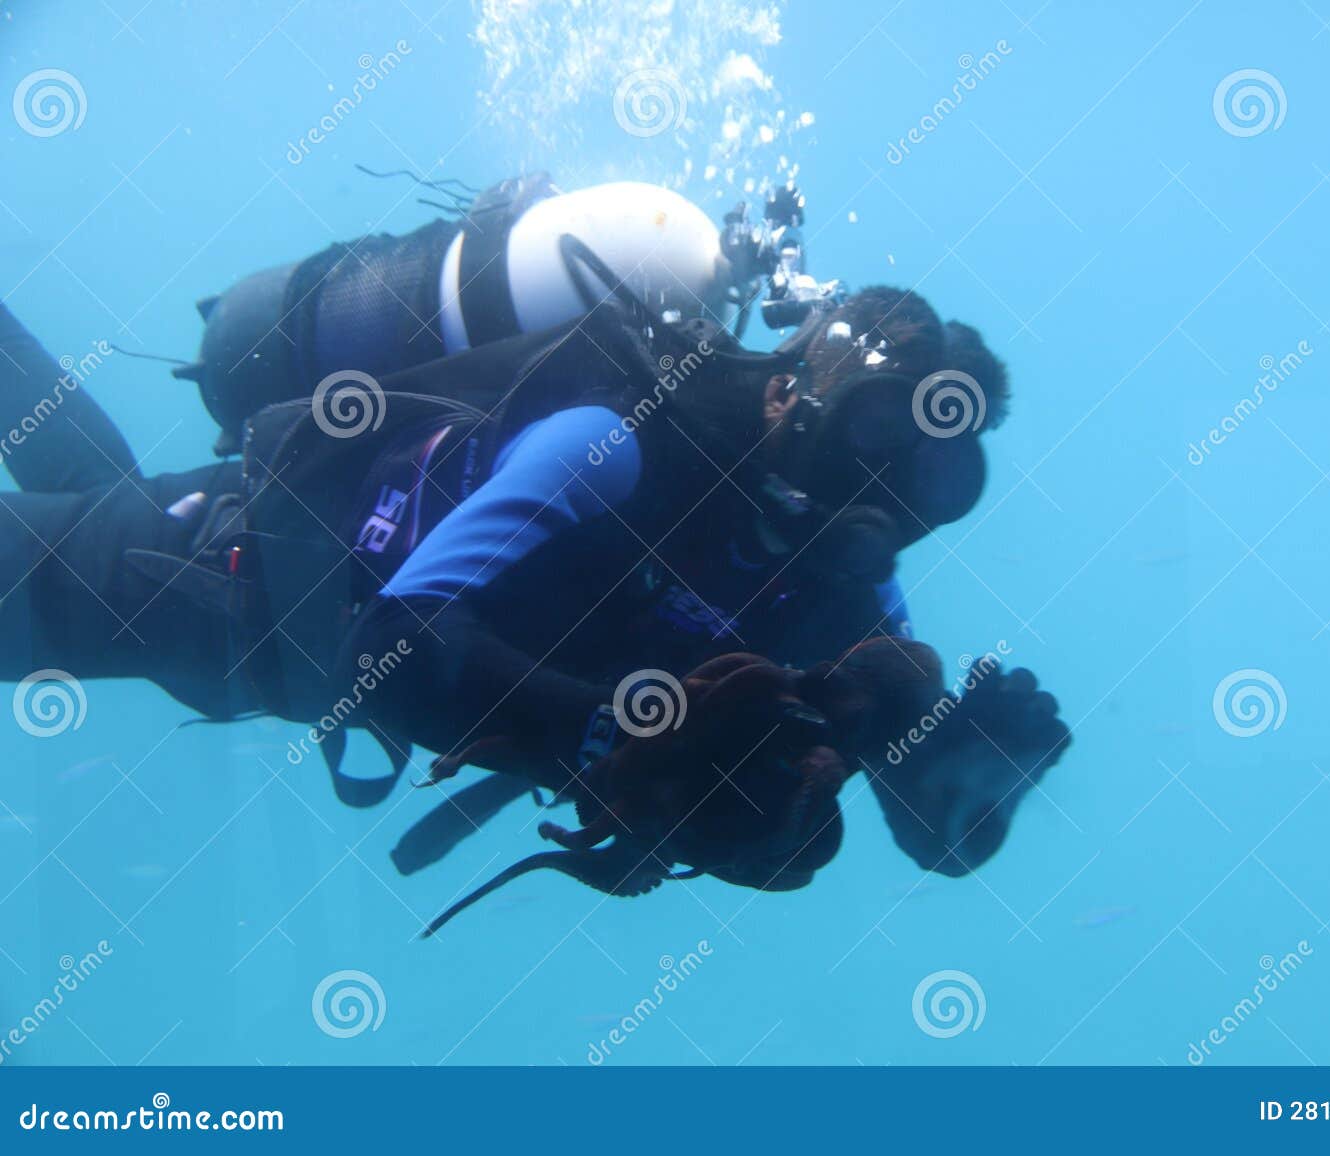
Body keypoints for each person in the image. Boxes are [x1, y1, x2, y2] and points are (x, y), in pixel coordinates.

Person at [0, 185, 1069, 895]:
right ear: (792, 388)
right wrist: (600, 735)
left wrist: (965, 773)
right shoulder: (619, 442)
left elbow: (942, 840)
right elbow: (394, 641)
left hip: (273, 658)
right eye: (871, 439)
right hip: (218, 574)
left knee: (89, 487)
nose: (871, 501)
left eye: (929, 482)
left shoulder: (851, 592)